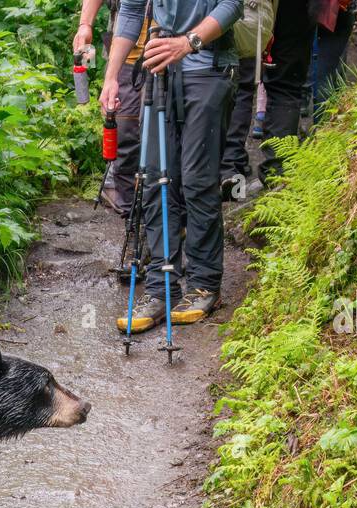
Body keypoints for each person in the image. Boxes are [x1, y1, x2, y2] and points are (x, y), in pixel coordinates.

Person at [101, 0, 243, 330]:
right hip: (160, 74)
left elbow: (233, 5)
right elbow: (132, 12)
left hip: (208, 70)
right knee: (153, 178)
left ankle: (204, 284)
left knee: (197, 179)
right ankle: (158, 288)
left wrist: (188, 42)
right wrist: (111, 77)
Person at [222, 0, 318, 194]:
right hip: (297, 8)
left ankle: (231, 173)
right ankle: (276, 177)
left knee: (241, 81)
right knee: (286, 85)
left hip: (253, 6)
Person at [75, 0, 150, 215]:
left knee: (160, 136)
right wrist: (85, 25)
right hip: (126, 52)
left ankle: (162, 215)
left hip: (175, 57)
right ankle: (128, 207)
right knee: (124, 131)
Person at [314, 0, 357, 122]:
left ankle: (317, 125)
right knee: (327, 72)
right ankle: (323, 130)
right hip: (338, 9)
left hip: (302, 8)